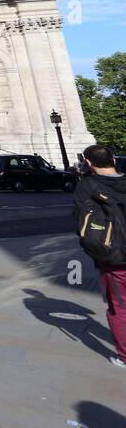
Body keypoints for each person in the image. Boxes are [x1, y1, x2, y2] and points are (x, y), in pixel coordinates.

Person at [74, 145, 126, 370]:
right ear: (114, 159)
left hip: (113, 257)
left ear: (88, 162)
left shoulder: (87, 186)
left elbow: (81, 222)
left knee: (119, 307)